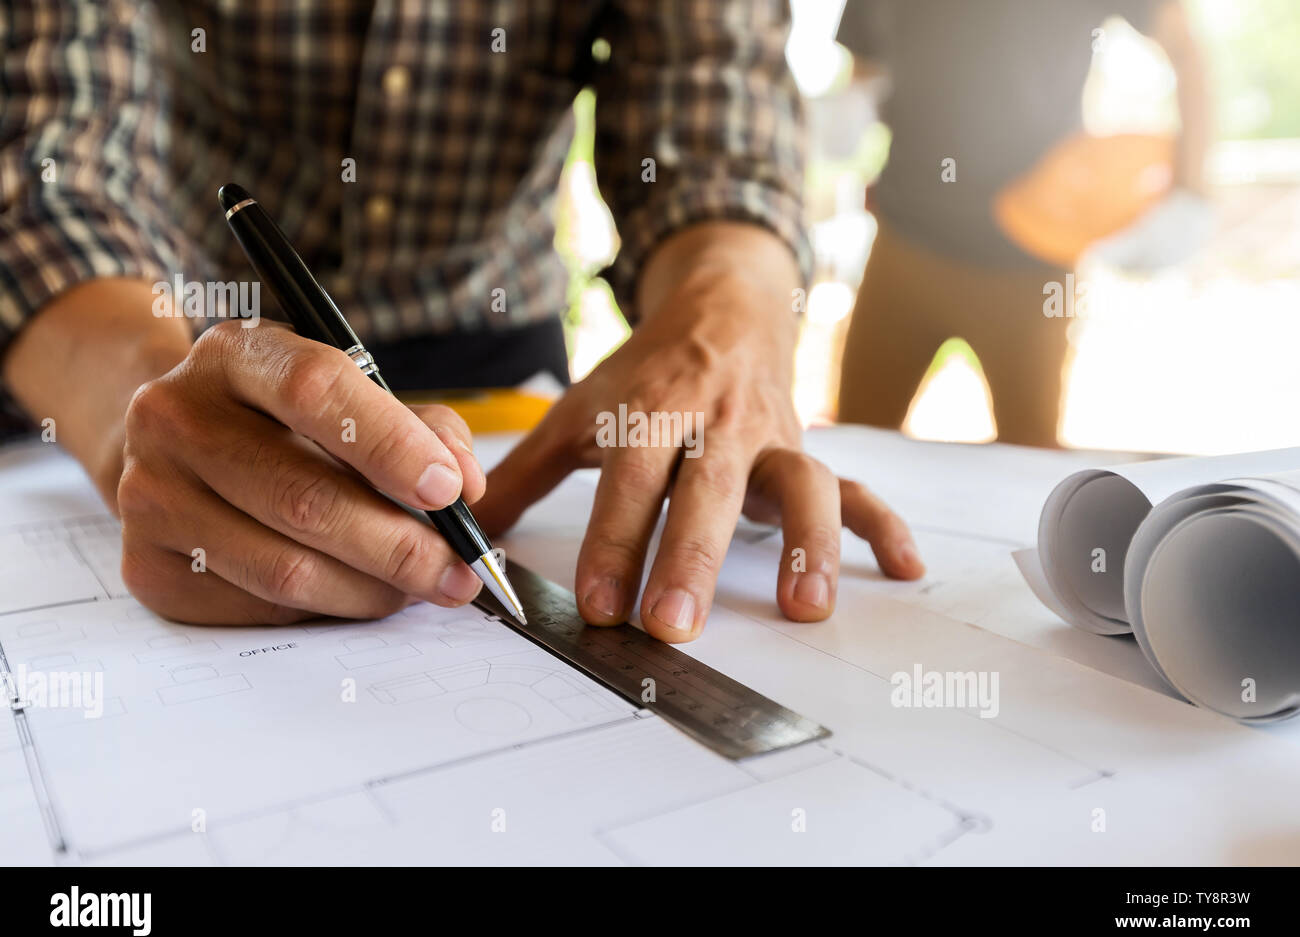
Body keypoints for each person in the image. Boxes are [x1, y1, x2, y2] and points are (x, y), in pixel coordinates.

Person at [0, 1, 924, 643]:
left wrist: (725, 328)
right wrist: (144, 417)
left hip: (497, 359)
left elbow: (721, 125)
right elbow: (50, 178)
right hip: (192, 346)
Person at [835, 0, 1211, 447]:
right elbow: (866, 70)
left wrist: (1191, 191)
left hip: (1035, 264)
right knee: (853, 447)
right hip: (903, 245)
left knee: (1032, 465)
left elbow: (1185, 47)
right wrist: (848, 110)